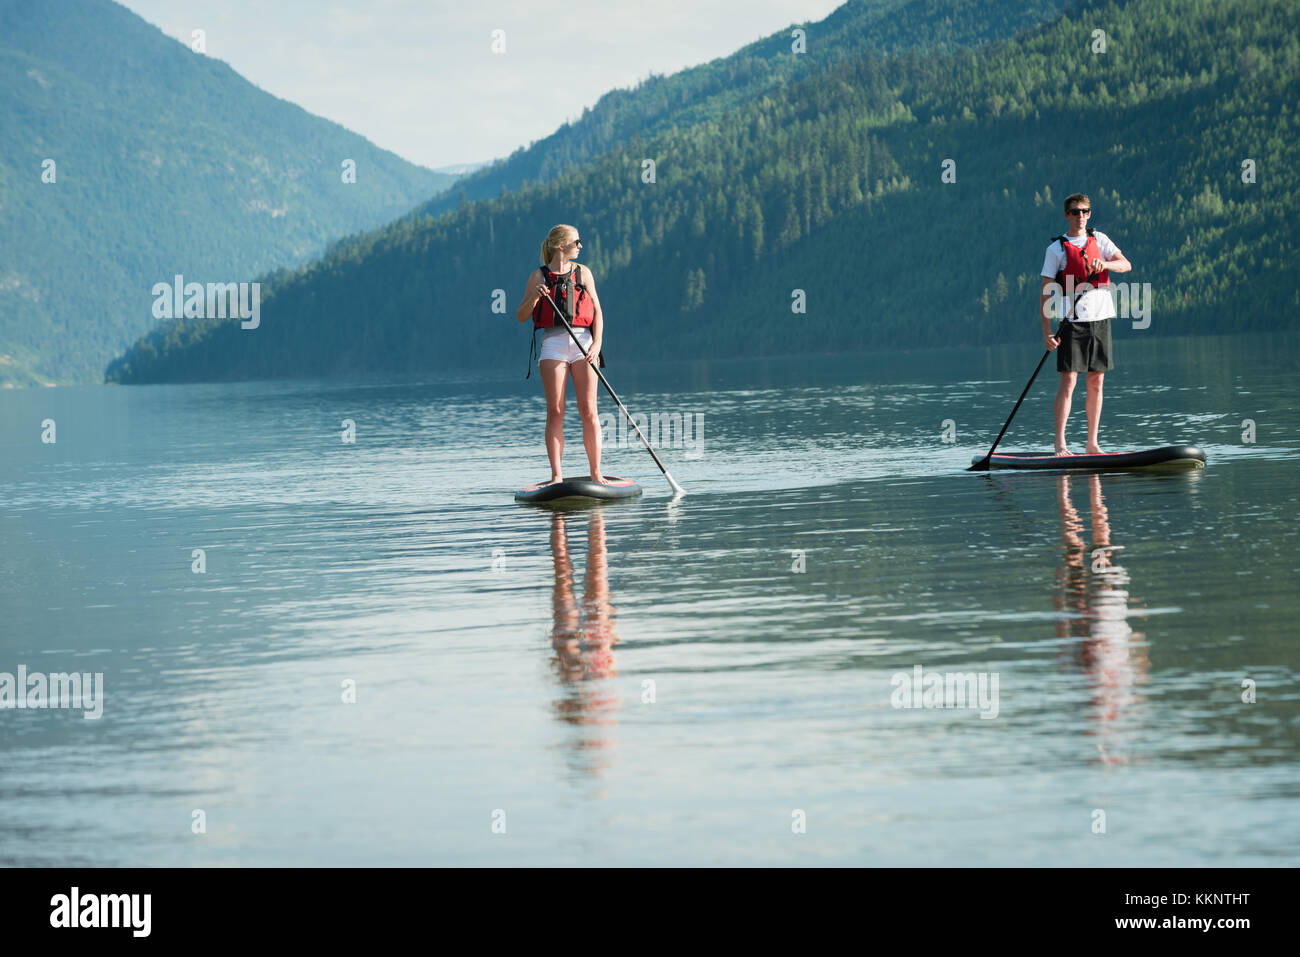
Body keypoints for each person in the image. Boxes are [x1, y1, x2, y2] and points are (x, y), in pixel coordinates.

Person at [1039, 193, 1131, 455]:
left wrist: (1106, 263)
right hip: (1072, 322)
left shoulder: (1099, 240)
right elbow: (1046, 292)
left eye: (1085, 211)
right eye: (1075, 211)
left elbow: (1126, 265)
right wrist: (1047, 332)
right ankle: (1060, 444)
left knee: (1096, 382)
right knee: (1069, 381)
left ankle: (1092, 444)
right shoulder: (1056, 249)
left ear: (1089, 214)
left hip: (1100, 320)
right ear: (1066, 214)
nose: (1080, 216)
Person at [516, 225, 605, 485]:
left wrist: (597, 344)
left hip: (584, 343)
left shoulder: (583, 273)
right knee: (556, 411)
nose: (581, 246)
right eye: (577, 242)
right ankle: (557, 476)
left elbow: (598, 312)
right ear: (560, 246)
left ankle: (596, 473)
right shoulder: (538, 276)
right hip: (553, 344)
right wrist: (534, 296)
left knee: (588, 410)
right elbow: (521, 316)